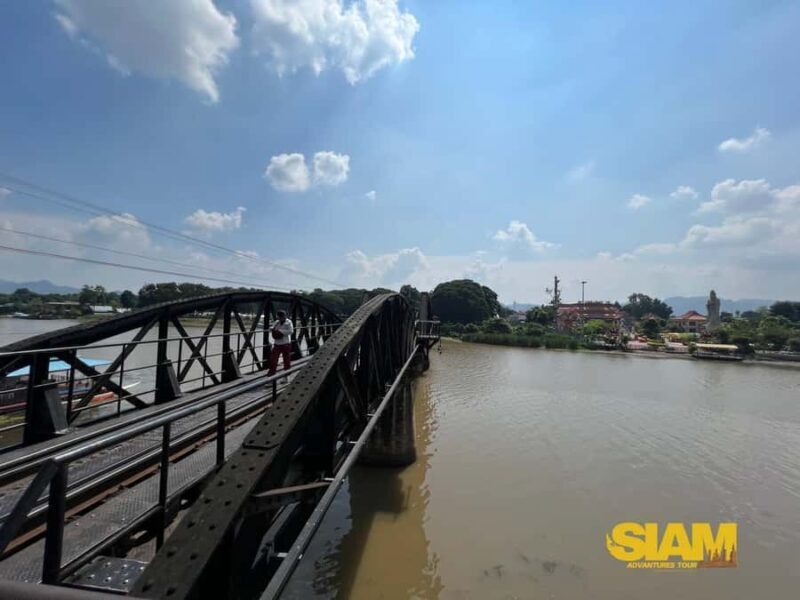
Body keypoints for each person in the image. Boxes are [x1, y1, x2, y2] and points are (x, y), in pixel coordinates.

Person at [267, 310, 293, 376]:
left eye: (283, 316)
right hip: (277, 344)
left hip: (286, 344)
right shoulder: (276, 322)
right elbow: (272, 328)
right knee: (273, 360)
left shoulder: (289, 322)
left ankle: (286, 376)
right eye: (280, 317)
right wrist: (271, 329)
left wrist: (280, 331)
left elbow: (291, 331)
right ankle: (271, 375)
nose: (282, 318)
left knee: (286, 361)